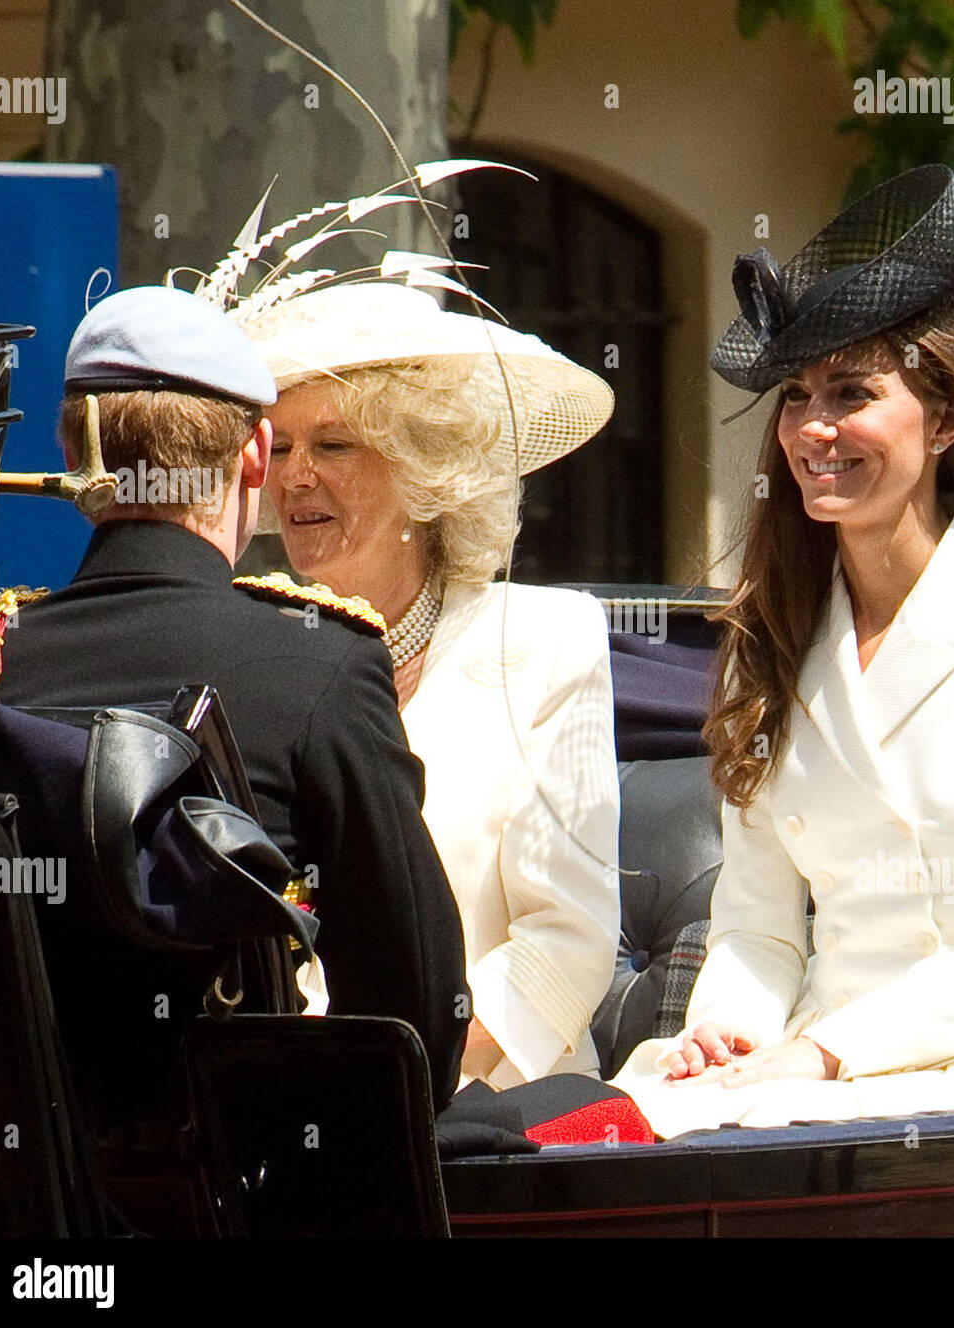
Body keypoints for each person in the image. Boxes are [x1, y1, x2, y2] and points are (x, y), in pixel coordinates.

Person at [612, 164, 954, 1138]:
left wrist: (827, 1050)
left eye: (850, 392)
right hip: (800, 1078)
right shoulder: (765, 641)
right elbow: (761, 926)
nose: (813, 428)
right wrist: (723, 1030)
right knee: (592, 1136)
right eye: (796, 394)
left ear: (940, 417)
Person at [0, 285, 469, 1111]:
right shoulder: (319, 660)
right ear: (254, 453)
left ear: (77, 457)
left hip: (17, 1201)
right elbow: (417, 1013)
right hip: (249, 1196)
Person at [240, 282, 621, 1089]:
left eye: (334, 446)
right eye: (280, 448)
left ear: (423, 467)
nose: (296, 477)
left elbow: (567, 943)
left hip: (498, 1109)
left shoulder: (546, 643)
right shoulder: (252, 646)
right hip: (287, 1105)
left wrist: (387, 1072)